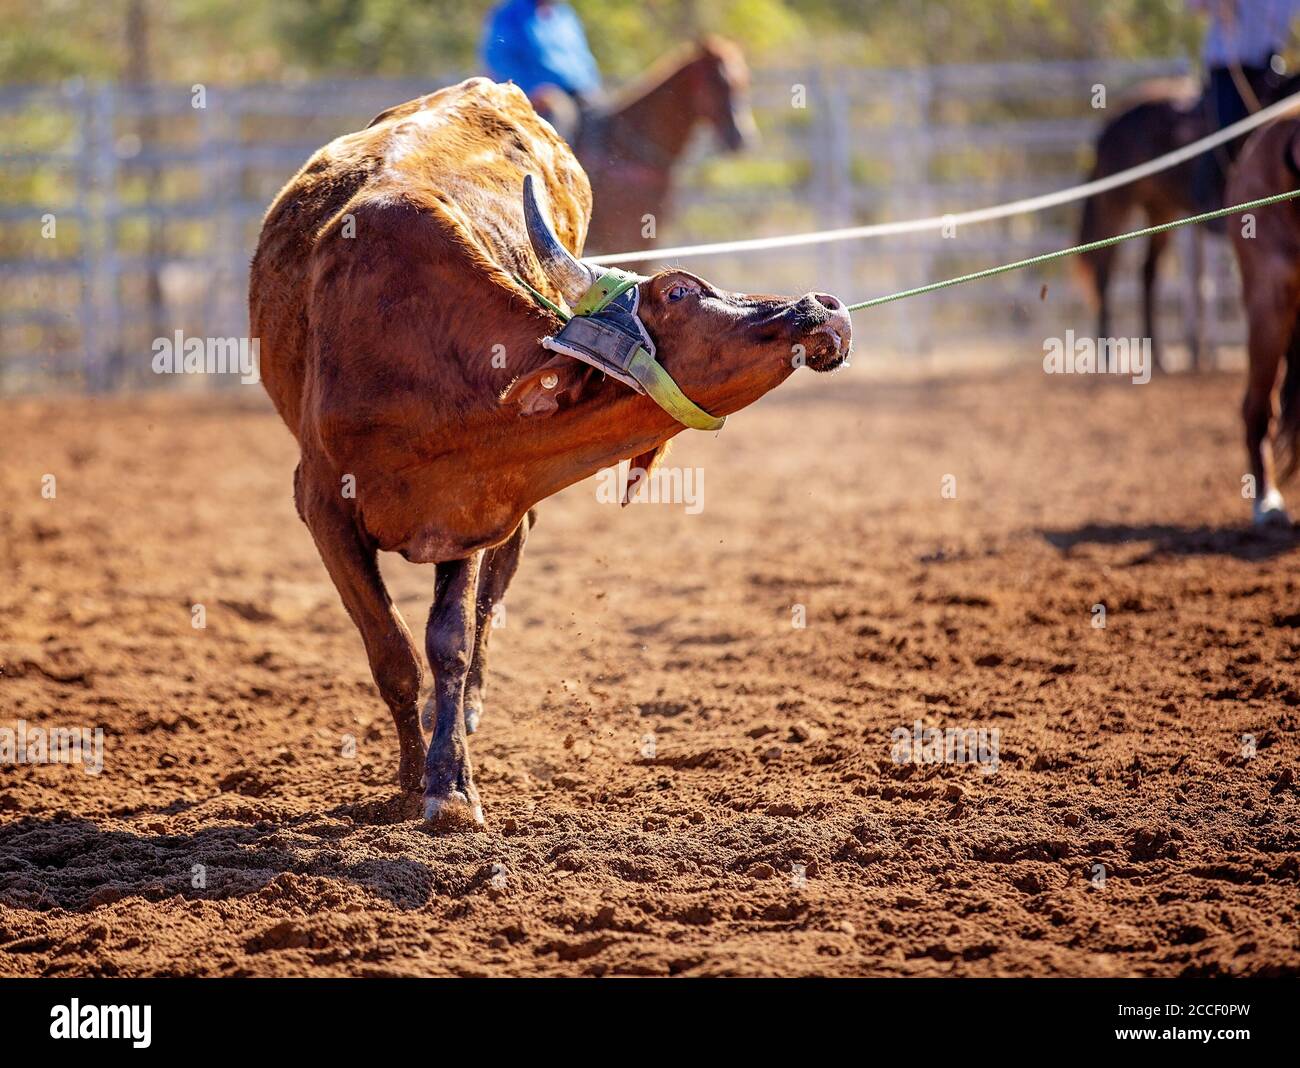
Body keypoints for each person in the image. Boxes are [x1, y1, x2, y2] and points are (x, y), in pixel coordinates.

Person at [1191, 0, 1300, 211]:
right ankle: (1213, 200)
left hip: (1271, 70)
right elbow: (1196, 6)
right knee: (1228, 130)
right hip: (1229, 68)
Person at [481, 0, 602, 125]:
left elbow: (582, 54)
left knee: (602, 116)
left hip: (578, 88)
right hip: (539, 94)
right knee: (560, 115)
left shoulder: (565, 14)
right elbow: (499, 58)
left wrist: (591, 84)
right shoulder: (510, 14)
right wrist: (530, 88)